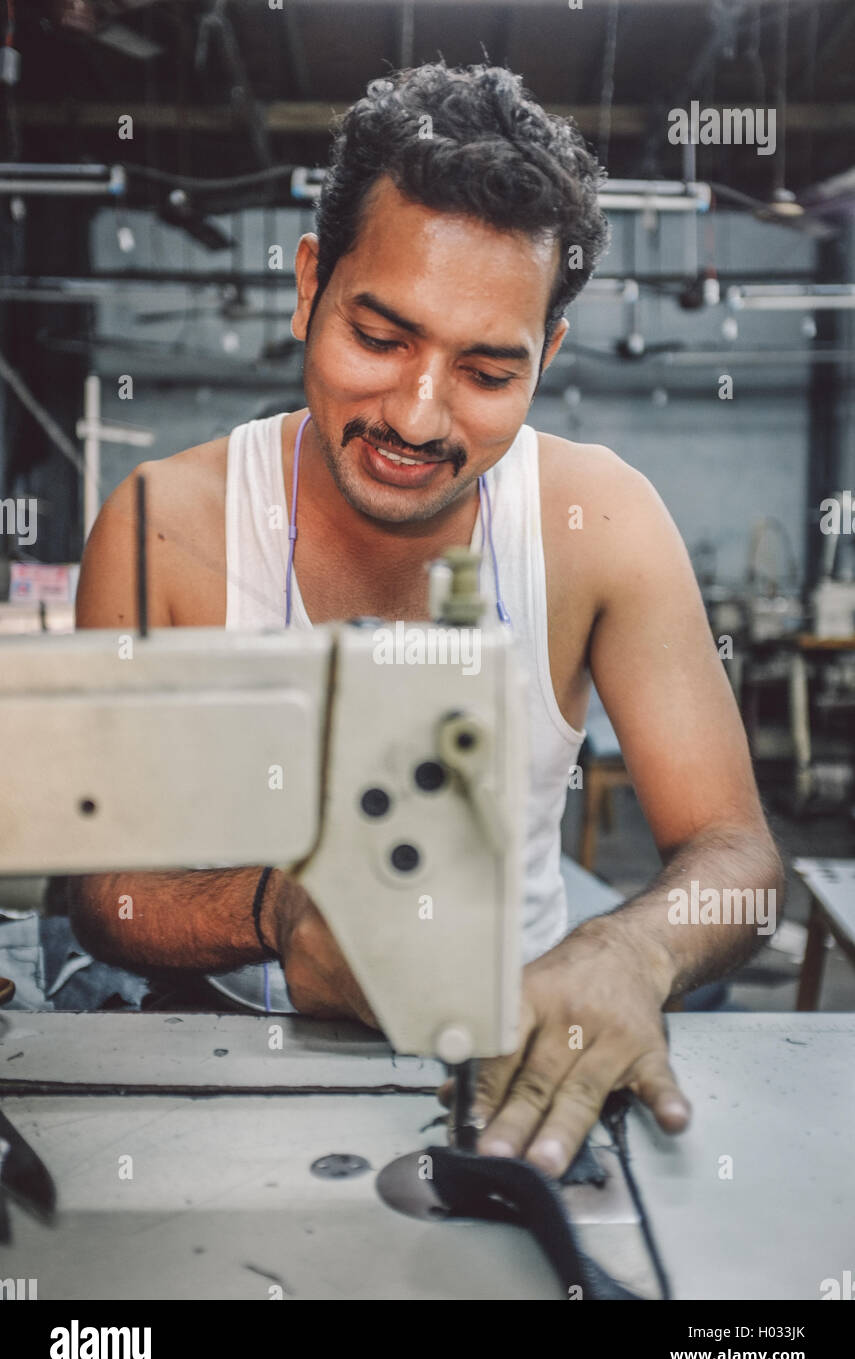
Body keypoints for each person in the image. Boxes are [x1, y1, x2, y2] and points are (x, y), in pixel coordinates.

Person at [70, 61, 784, 1178]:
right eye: (382, 335)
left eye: (488, 369)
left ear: (545, 359)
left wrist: (627, 954)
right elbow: (97, 896)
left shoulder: (602, 524)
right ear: (310, 285)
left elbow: (739, 856)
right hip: (215, 1068)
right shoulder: (165, 526)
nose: (416, 414)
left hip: (515, 1066)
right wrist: (280, 913)